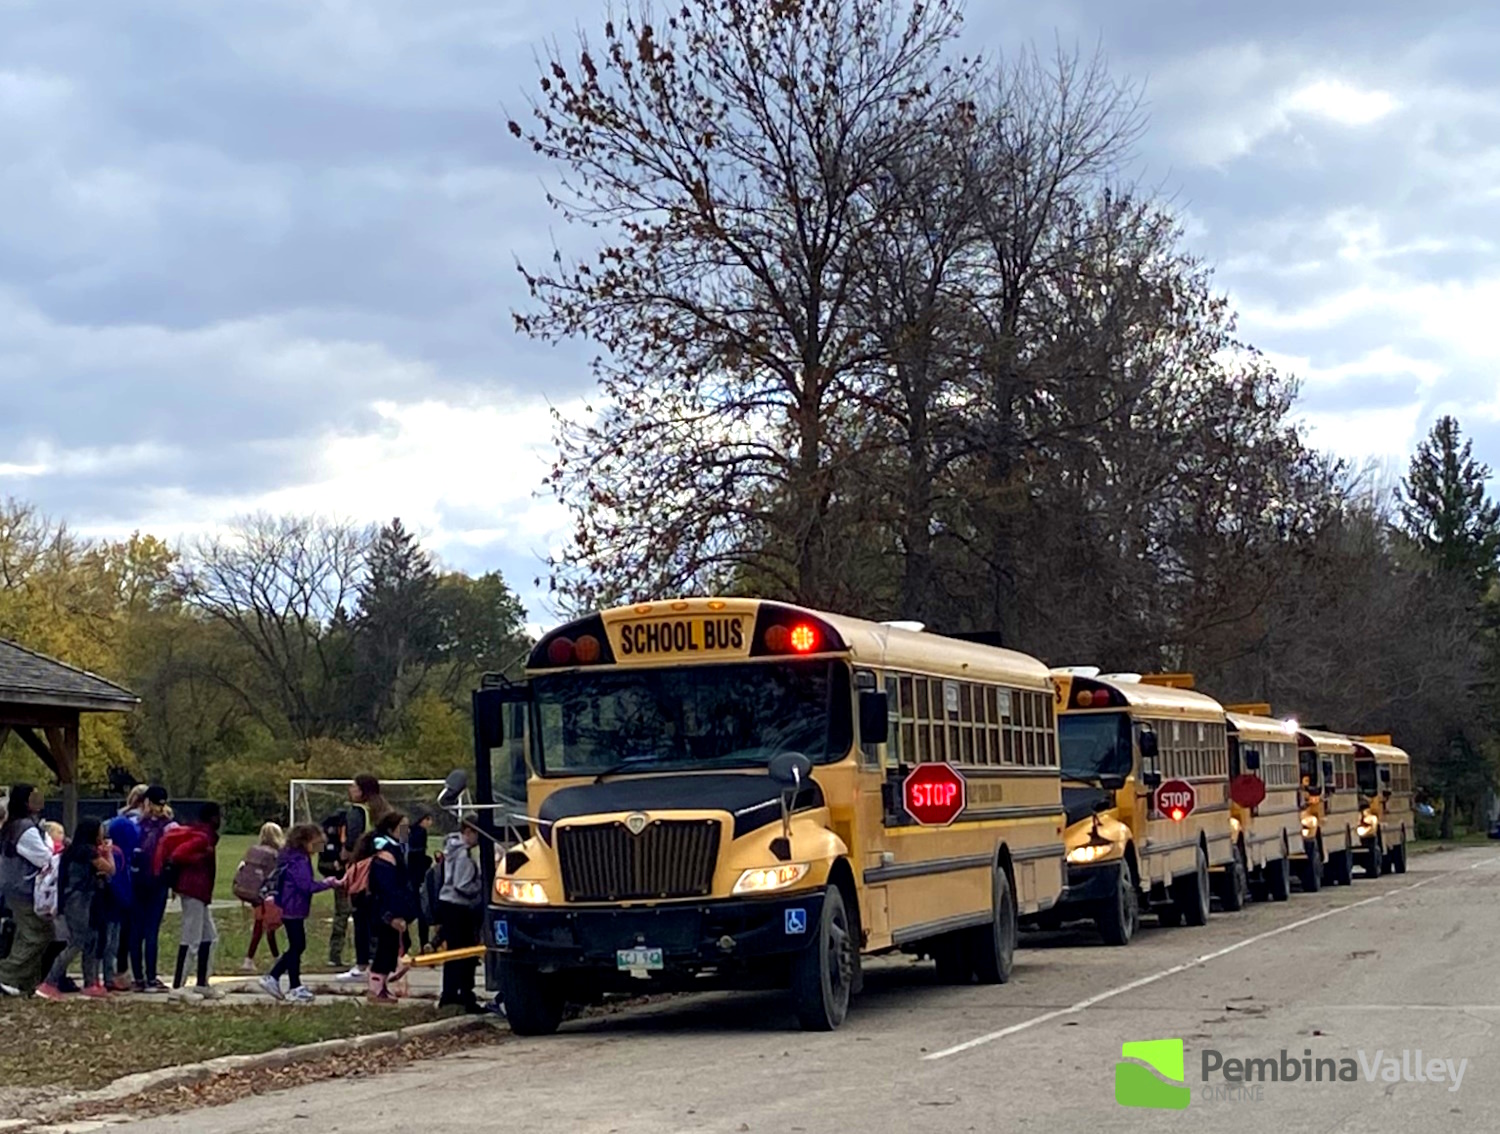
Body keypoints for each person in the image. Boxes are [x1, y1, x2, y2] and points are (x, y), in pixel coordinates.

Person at [260, 824, 342, 1004]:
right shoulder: (300, 861)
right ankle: (278, 978)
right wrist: (329, 883)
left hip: (288, 905)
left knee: (296, 946)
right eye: (316, 844)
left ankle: (292, 984)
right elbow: (306, 886)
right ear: (304, 842)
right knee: (298, 946)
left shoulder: (290, 856)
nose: (318, 848)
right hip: (293, 907)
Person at [35, 818, 113, 1000]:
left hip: (76, 899)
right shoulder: (88, 851)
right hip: (80, 900)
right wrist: (107, 852)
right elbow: (109, 869)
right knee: (77, 941)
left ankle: (90, 982)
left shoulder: (71, 851)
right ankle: (50, 982)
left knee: (90, 939)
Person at [156, 801, 223, 998]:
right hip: (193, 889)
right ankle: (178, 987)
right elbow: (177, 855)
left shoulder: (204, 834)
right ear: (213, 817)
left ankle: (202, 982)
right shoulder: (203, 838)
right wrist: (201, 856)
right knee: (191, 938)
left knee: (210, 937)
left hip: (200, 892)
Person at [334, 774, 391, 982]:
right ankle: (381, 962)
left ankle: (361, 965)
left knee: (360, 918)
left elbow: (351, 840)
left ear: (362, 790)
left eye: (353, 786)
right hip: (382, 868)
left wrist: (345, 858)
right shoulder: (385, 809)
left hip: (362, 869)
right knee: (378, 919)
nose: (350, 789)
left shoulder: (358, 811)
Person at [0, 784, 52, 997]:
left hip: (14, 886)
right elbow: (44, 858)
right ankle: (7, 974)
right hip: (24, 888)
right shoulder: (25, 829)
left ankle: (26, 981)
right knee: (37, 934)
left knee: (25, 933)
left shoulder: (13, 826)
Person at [364, 811, 417, 1004]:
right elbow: (388, 887)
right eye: (403, 826)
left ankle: (381, 987)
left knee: (391, 946)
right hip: (384, 910)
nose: (407, 830)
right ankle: (376, 989)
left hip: (387, 908)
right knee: (385, 948)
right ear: (390, 828)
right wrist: (393, 914)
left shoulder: (396, 848)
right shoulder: (385, 852)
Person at [436, 820, 484, 1012]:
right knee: (464, 952)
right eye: (477, 834)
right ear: (469, 831)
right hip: (459, 906)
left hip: (447, 903)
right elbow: (462, 884)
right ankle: (464, 995)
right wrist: (480, 886)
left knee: (453, 953)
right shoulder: (464, 854)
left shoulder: (452, 849)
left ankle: (451, 993)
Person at [131, 786, 175, 991]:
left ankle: (137, 977)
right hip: (158, 881)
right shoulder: (170, 827)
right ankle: (151, 977)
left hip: (137, 880)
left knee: (136, 929)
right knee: (151, 931)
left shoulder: (135, 824)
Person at [107, 786, 147, 983]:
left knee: (118, 930)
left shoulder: (117, 819)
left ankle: (115, 969)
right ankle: (120, 971)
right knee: (125, 930)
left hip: (120, 876)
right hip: (128, 879)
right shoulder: (135, 823)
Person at [235, 822, 285, 973]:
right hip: (267, 894)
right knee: (266, 926)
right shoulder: (275, 855)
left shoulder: (253, 850)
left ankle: (273, 958)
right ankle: (251, 959)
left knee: (263, 925)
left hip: (252, 892)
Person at [407, 809, 435, 953]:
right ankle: (424, 943)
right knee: (422, 911)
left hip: (404, 875)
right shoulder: (421, 832)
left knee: (405, 912)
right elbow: (419, 854)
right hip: (417, 877)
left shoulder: (403, 830)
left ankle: (405, 944)